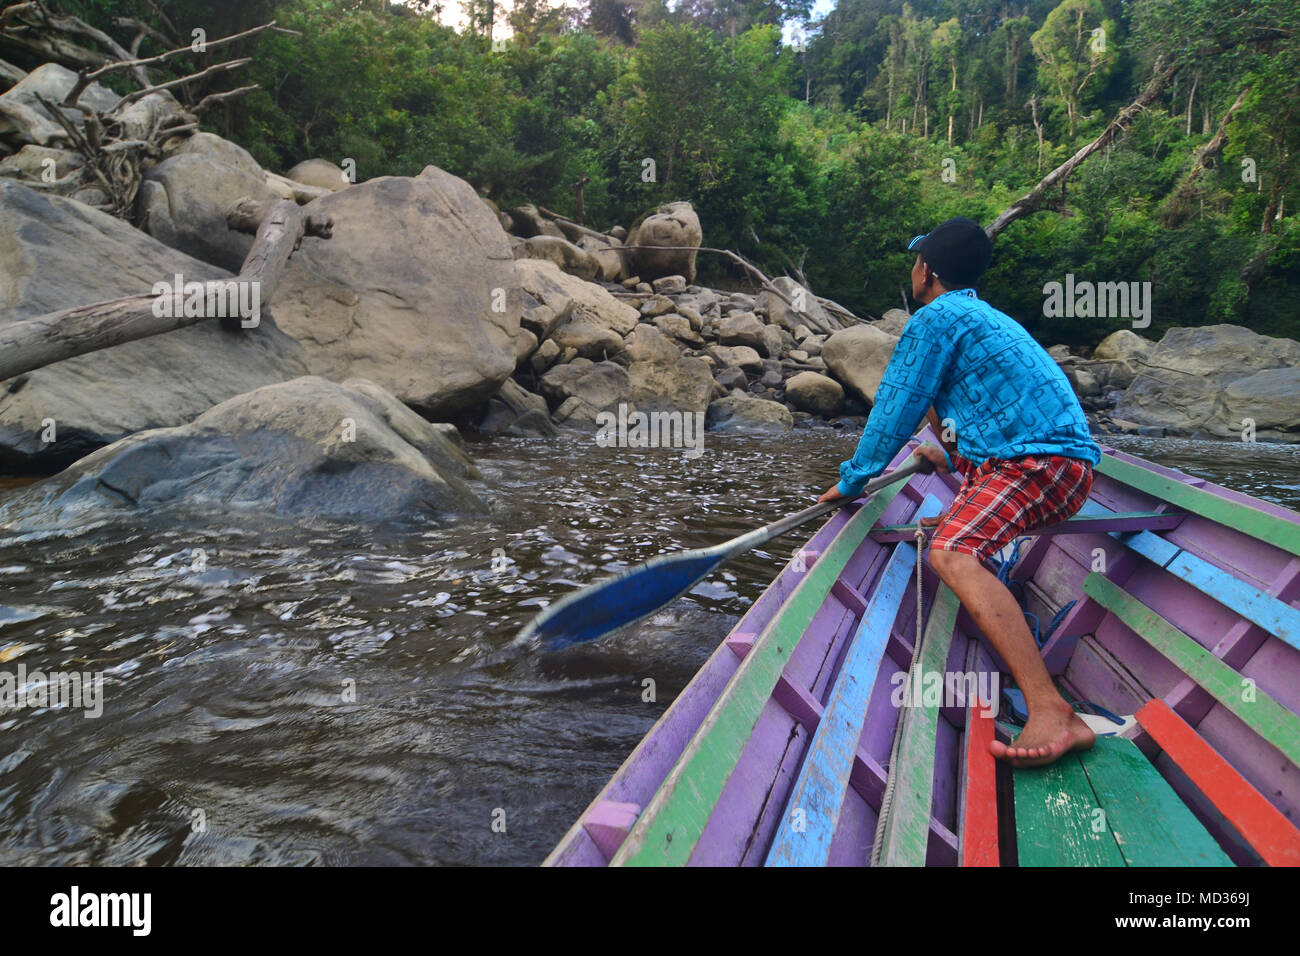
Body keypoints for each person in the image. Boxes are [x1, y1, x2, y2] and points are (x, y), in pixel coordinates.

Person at [818, 217, 1101, 767]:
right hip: (1049, 464)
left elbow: (895, 406)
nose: (912, 270)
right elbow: (983, 408)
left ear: (926, 269)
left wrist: (854, 478)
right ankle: (1041, 690)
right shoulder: (979, 317)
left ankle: (1051, 709)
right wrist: (946, 454)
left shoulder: (938, 316)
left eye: (915, 262)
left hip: (1039, 466)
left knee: (952, 550)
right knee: (947, 527)